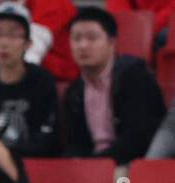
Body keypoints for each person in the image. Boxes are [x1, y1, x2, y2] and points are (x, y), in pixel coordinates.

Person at [62, 5, 166, 164]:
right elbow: (72, 143)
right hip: (91, 170)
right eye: (76, 39)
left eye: (92, 38)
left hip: (130, 168)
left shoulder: (135, 77)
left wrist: (95, 164)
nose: (82, 46)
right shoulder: (74, 92)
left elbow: (139, 139)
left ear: (111, 43)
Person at [0, 2, 60, 158]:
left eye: (13, 35)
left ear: (28, 43)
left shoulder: (42, 81)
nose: (4, 43)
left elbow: (47, 139)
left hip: (31, 163)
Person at [0, 0, 78, 81]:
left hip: (52, 82)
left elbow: (30, 58)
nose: (4, 42)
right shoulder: (0, 8)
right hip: (4, 80)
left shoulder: (51, 3)